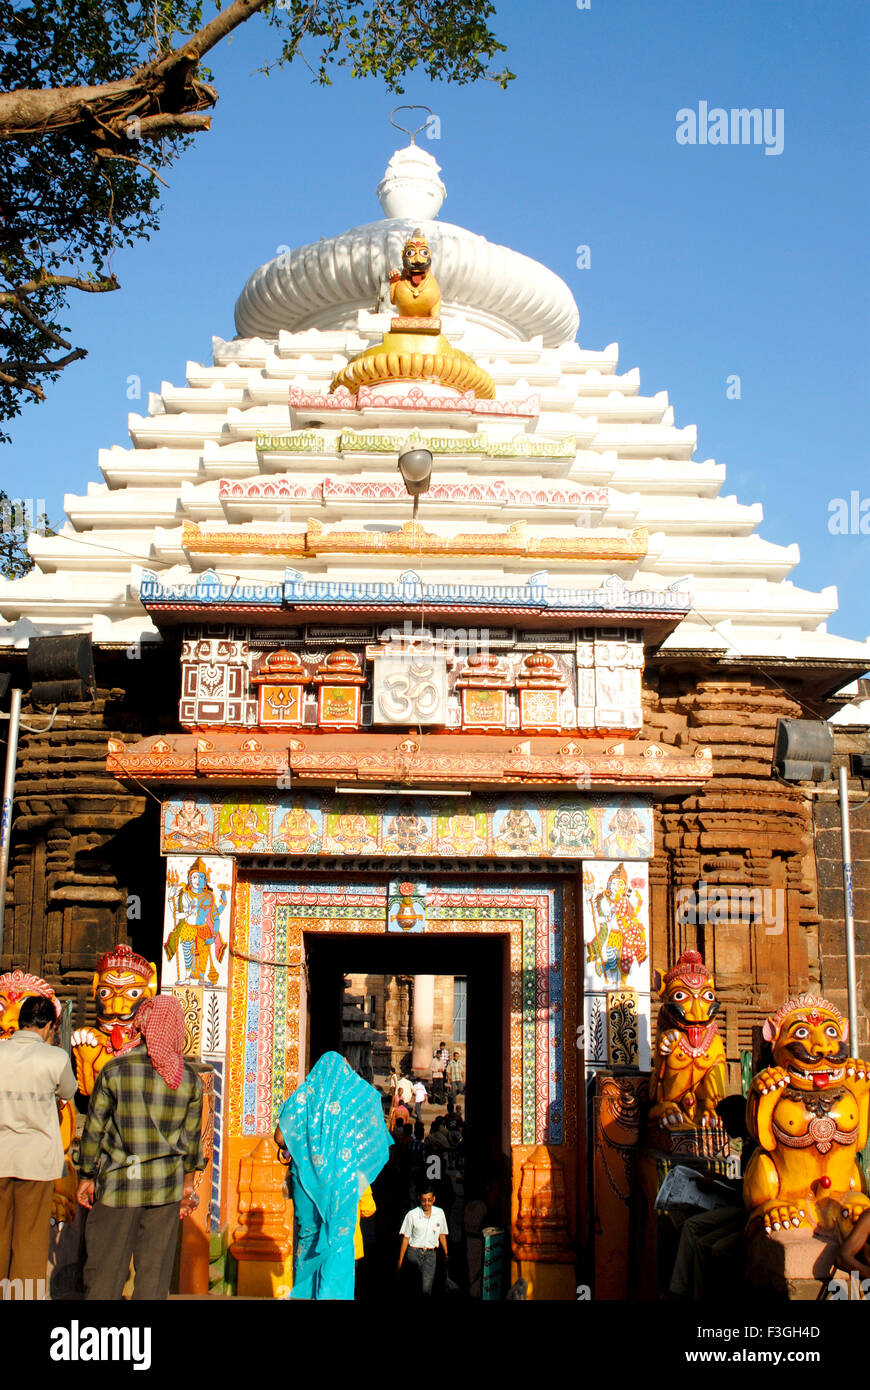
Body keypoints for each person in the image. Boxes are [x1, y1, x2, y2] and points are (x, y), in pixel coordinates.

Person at [76, 994, 205, 1300]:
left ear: (143, 1026)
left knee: (105, 1273)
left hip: (119, 1184)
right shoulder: (189, 1080)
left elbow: (94, 1130)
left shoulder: (115, 1070)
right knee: (154, 1278)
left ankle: (97, 1343)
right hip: (165, 1188)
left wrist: (85, 1176)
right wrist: (187, 1191)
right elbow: (191, 1144)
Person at [274, 1050, 392, 1300]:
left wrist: (304, 1145)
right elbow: (374, 1128)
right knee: (339, 1244)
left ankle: (305, 1295)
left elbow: (279, 1137)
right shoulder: (354, 1099)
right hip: (342, 1184)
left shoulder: (304, 1096)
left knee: (308, 1240)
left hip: (307, 1183)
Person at [0, 995, 77, 1299]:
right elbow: (69, 1091)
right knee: (30, 1239)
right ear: (48, 1026)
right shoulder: (55, 1058)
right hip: (36, 1161)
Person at [398, 1185, 448, 1295]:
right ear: (419, 1198)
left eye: (429, 1200)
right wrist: (400, 1261)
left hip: (431, 1255)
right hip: (414, 1253)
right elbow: (406, 1238)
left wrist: (446, 1254)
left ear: (434, 1199)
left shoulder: (440, 1213)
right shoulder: (412, 1215)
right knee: (414, 1286)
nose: (427, 1203)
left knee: (426, 1289)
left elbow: (442, 1234)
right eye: (424, 1200)